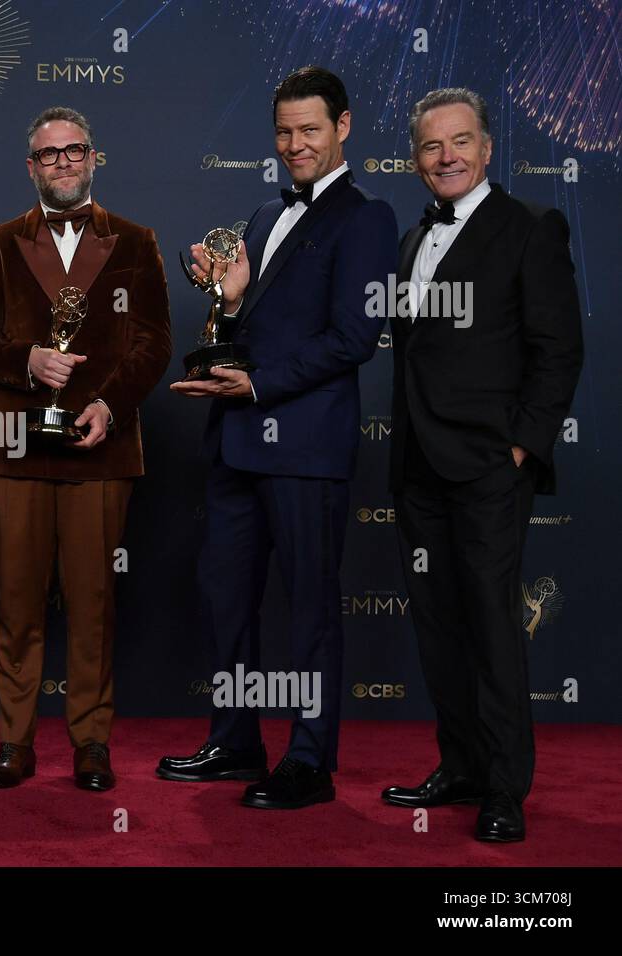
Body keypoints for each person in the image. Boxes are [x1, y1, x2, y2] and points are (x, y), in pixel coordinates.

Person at [160, 66, 397, 809]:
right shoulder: (262, 216)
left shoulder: (368, 217)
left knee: (310, 608)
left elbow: (355, 337)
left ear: (344, 128)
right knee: (228, 601)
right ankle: (234, 738)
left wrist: (258, 386)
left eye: (311, 130)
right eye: (285, 131)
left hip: (304, 447)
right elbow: (245, 329)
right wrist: (227, 308)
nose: (296, 144)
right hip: (235, 445)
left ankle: (309, 759)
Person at [380, 88, 583, 842]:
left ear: (487, 148)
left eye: (461, 141)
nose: (448, 157)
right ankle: (460, 764)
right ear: (415, 160)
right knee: (438, 626)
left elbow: (558, 348)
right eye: (433, 147)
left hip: (490, 468)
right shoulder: (410, 241)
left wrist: (522, 447)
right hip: (419, 470)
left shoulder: (531, 227)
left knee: (494, 629)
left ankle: (504, 788)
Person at [0, 106, 172, 792]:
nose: (61, 163)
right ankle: (14, 743)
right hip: (15, 449)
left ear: (93, 157)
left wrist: (108, 407)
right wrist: (28, 361)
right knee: (17, 604)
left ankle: (90, 742)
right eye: (47, 155)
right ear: (31, 167)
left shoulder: (137, 241)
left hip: (101, 450)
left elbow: (153, 344)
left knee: (92, 604)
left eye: (73, 151)